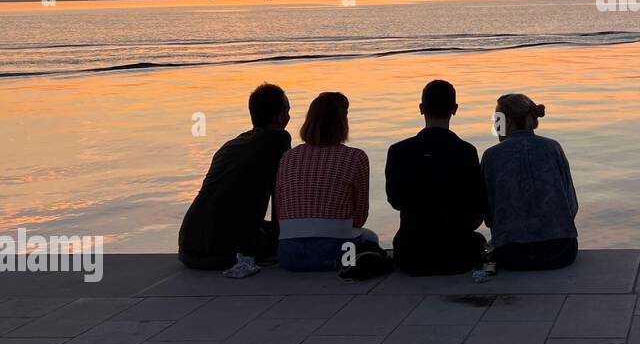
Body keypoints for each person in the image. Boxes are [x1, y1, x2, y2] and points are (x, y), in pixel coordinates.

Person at [178, 83, 292, 276]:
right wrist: (283, 238)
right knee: (287, 238)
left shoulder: (231, 145)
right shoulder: (279, 139)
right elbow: (279, 196)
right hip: (223, 252)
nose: (288, 117)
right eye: (287, 111)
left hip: (188, 245)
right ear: (279, 117)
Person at [385, 79, 489, 275]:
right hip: (457, 257)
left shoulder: (398, 151)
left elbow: (395, 200)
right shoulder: (466, 151)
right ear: (455, 109)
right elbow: (477, 203)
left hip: (411, 255)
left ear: (421, 108)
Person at [275, 91, 379, 271]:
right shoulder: (355, 157)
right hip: (337, 254)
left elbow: (279, 210)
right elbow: (360, 217)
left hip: (288, 256)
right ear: (342, 123)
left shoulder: (288, 157)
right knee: (371, 238)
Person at [480, 93, 578, 270]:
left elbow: (488, 215)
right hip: (561, 252)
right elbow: (571, 205)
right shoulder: (553, 148)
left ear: (507, 122)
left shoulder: (492, 156)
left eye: (496, 119)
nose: (494, 125)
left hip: (512, 256)